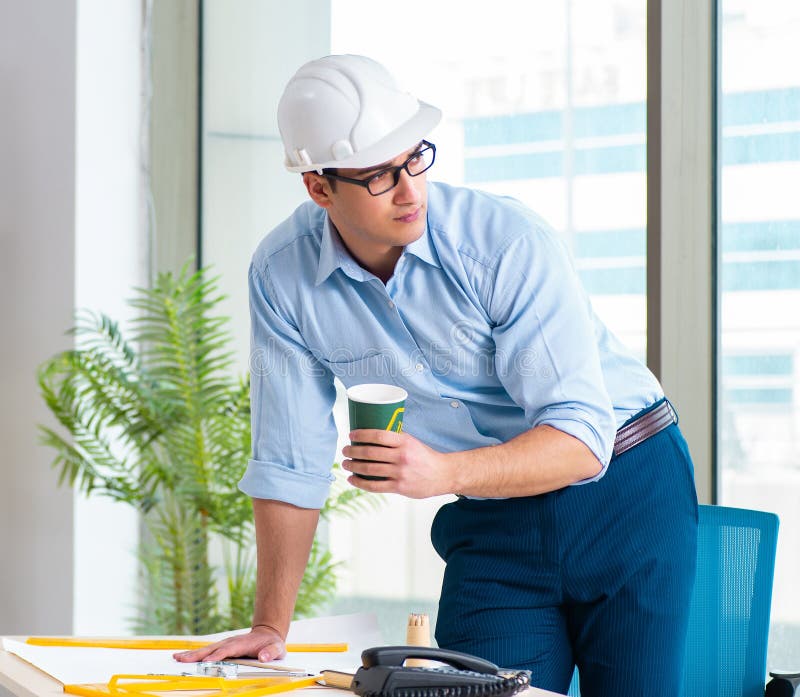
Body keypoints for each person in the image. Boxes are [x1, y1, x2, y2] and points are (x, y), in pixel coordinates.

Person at [175, 54, 698, 697]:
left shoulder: (504, 243)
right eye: (378, 175)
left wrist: (442, 472)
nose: (409, 190)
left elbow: (580, 439)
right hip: (493, 519)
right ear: (318, 187)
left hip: (626, 483)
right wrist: (269, 624)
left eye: (415, 157)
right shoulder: (283, 278)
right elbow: (288, 458)